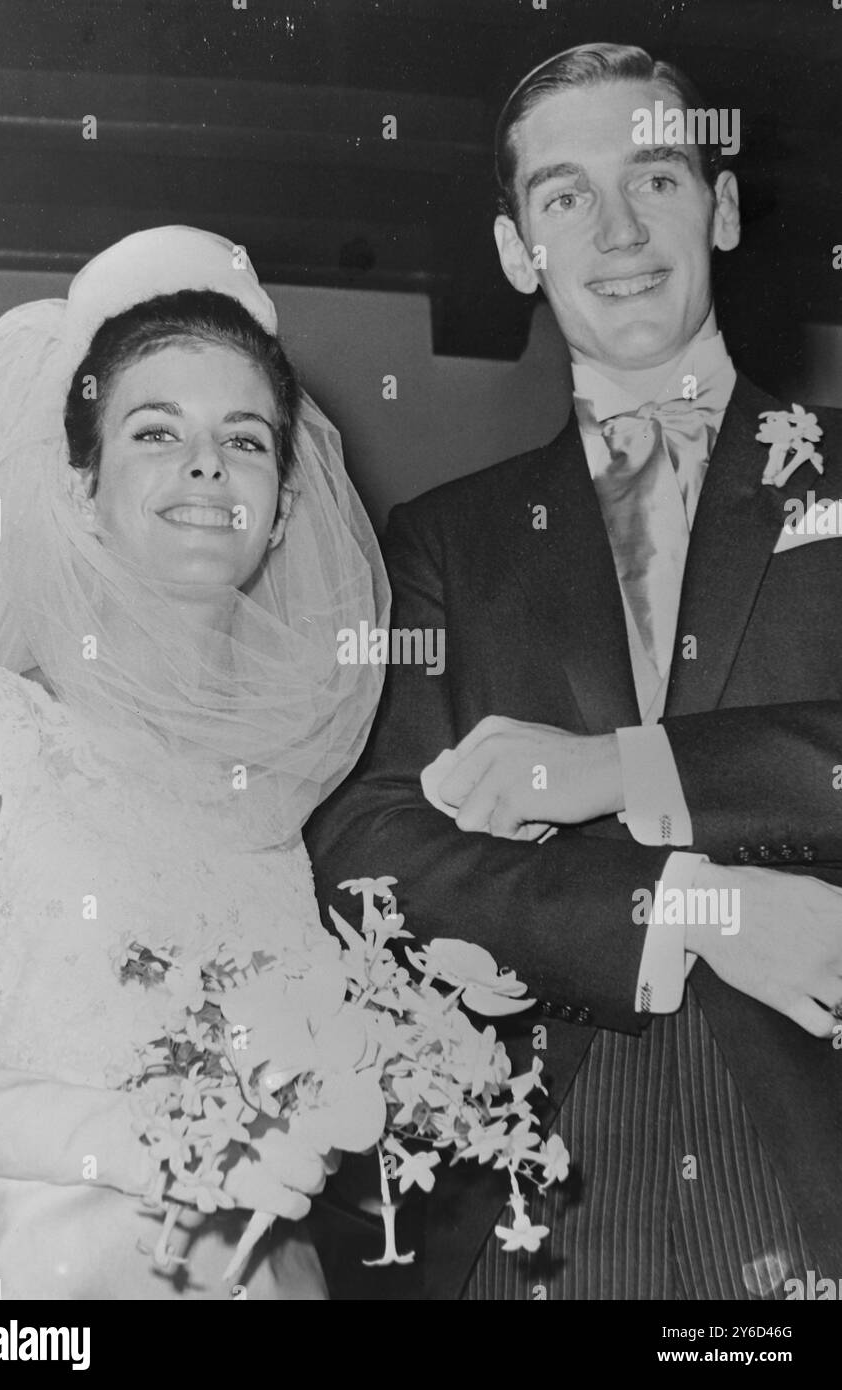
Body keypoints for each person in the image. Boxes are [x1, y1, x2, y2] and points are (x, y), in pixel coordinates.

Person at [306, 44, 842, 1300]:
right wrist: (696, 908)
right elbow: (368, 844)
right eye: (563, 195)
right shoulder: (436, 540)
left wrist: (621, 769)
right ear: (515, 251)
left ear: (719, 206)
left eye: (653, 178)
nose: (615, 230)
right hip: (543, 1163)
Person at [0, 225, 389, 1299]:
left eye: (244, 440)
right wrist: (137, 1136)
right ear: (81, 485)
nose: (204, 464)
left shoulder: (286, 799)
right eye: (155, 432)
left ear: (282, 508)